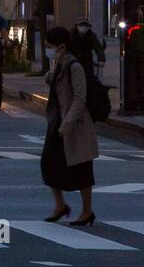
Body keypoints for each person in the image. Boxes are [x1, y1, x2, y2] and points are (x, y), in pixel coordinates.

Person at [40, 27, 98, 226]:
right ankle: (60, 205)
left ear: (62, 46)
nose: (48, 50)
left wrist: (68, 124)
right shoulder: (59, 64)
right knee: (48, 164)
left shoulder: (74, 66)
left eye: (50, 46)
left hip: (74, 124)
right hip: (57, 120)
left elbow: (79, 98)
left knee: (81, 168)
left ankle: (87, 210)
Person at [70, 18, 104, 83]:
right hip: (74, 61)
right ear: (76, 26)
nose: (84, 28)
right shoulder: (72, 35)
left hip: (87, 62)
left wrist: (101, 59)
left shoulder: (91, 35)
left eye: (86, 26)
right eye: (81, 25)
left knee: (89, 79)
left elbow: (98, 48)